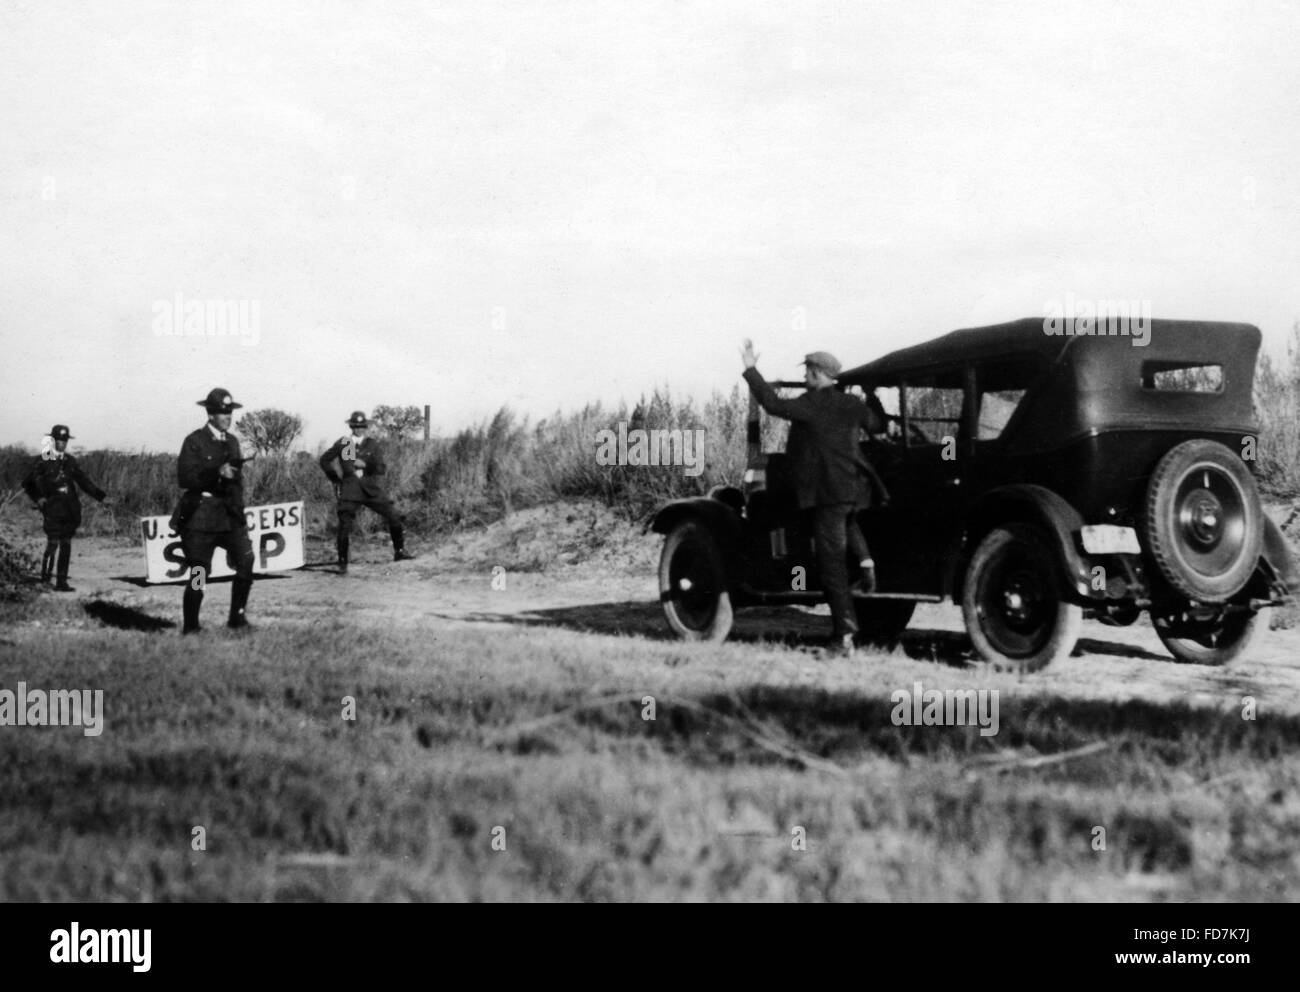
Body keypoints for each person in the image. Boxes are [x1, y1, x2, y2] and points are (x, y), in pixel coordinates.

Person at [741, 340, 887, 656]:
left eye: (808, 371)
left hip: (825, 495)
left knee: (830, 564)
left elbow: (773, 405)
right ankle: (866, 562)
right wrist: (873, 395)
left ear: (818, 374)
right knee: (848, 525)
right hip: (851, 492)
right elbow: (879, 425)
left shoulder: (810, 404)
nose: (805, 376)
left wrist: (752, 369)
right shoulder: (852, 404)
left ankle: (844, 638)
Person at [175, 388, 255, 634]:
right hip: (201, 516)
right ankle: (191, 626)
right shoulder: (194, 441)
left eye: (229, 412)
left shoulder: (232, 442)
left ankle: (237, 617)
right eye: (222, 412)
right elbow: (185, 477)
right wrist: (215, 473)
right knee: (199, 571)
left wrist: (240, 515)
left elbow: (236, 483)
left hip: (229, 515)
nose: (227, 417)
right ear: (210, 414)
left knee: (246, 560)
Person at [318, 411, 414, 574]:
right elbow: (324, 460)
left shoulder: (372, 444)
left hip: (370, 489)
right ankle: (342, 562)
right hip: (350, 489)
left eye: (362, 426)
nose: (359, 429)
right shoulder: (344, 443)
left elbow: (381, 468)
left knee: (393, 515)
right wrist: (336, 479)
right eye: (356, 426)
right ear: (351, 426)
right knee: (344, 524)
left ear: (366, 427)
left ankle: (399, 552)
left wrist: (366, 466)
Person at [21, 425, 109, 592]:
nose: (62, 444)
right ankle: (45, 580)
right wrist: (38, 498)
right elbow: (27, 484)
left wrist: (102, 497)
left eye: (65, 440)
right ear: (53, 440)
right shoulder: (43, 460)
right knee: (52, 543)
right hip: (52, 508)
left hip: (70, 509)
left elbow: (84, 482)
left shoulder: (70, 461)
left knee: (66, 544)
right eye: (59, 440)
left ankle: (61, 583)